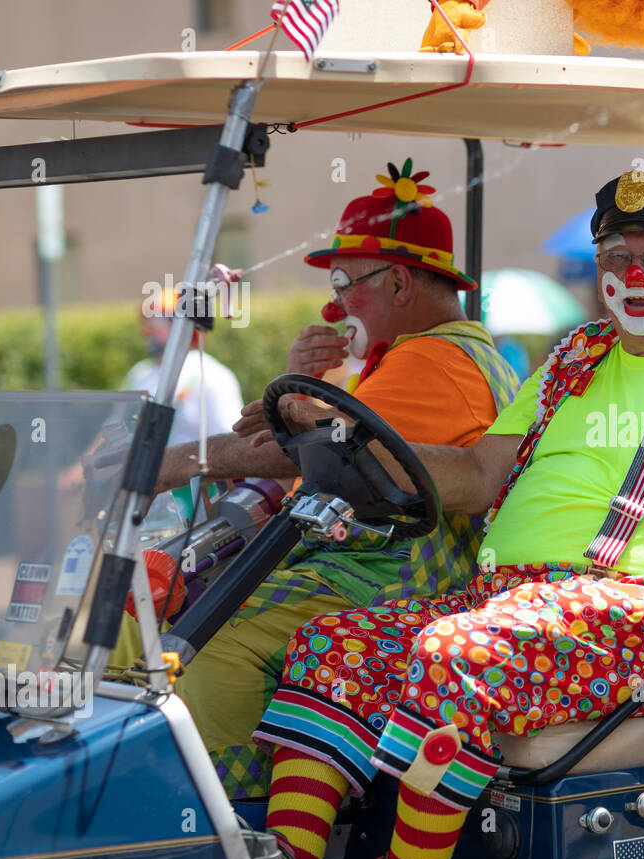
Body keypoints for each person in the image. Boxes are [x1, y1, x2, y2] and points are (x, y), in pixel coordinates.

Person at [249, 170, 644, 859]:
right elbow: (478, 477)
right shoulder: (574, 360)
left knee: (454, 658)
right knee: (328, 647)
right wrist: (344, 435)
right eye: (614, 257)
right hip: (515, 604)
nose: (634, 272)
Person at [151, 160, 520, 800]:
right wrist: (303, 384)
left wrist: (177, 462)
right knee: (175, 616)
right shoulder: (420, 359)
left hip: (387, 579)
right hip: (358, 567)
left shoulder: (433, 359)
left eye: (346, 281)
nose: (335, 302)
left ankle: (224, 817)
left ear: (400, 283)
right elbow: (318, 447)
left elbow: (296, 457)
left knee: (204, 650)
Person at [122, 293, 244, 448]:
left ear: (185, 326)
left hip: (191, 471)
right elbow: (117, 427)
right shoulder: (140, 373)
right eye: (147, 320)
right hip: (144, 471)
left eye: (158, 319)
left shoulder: (211, 375)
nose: (148, 329)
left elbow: (230, 439)